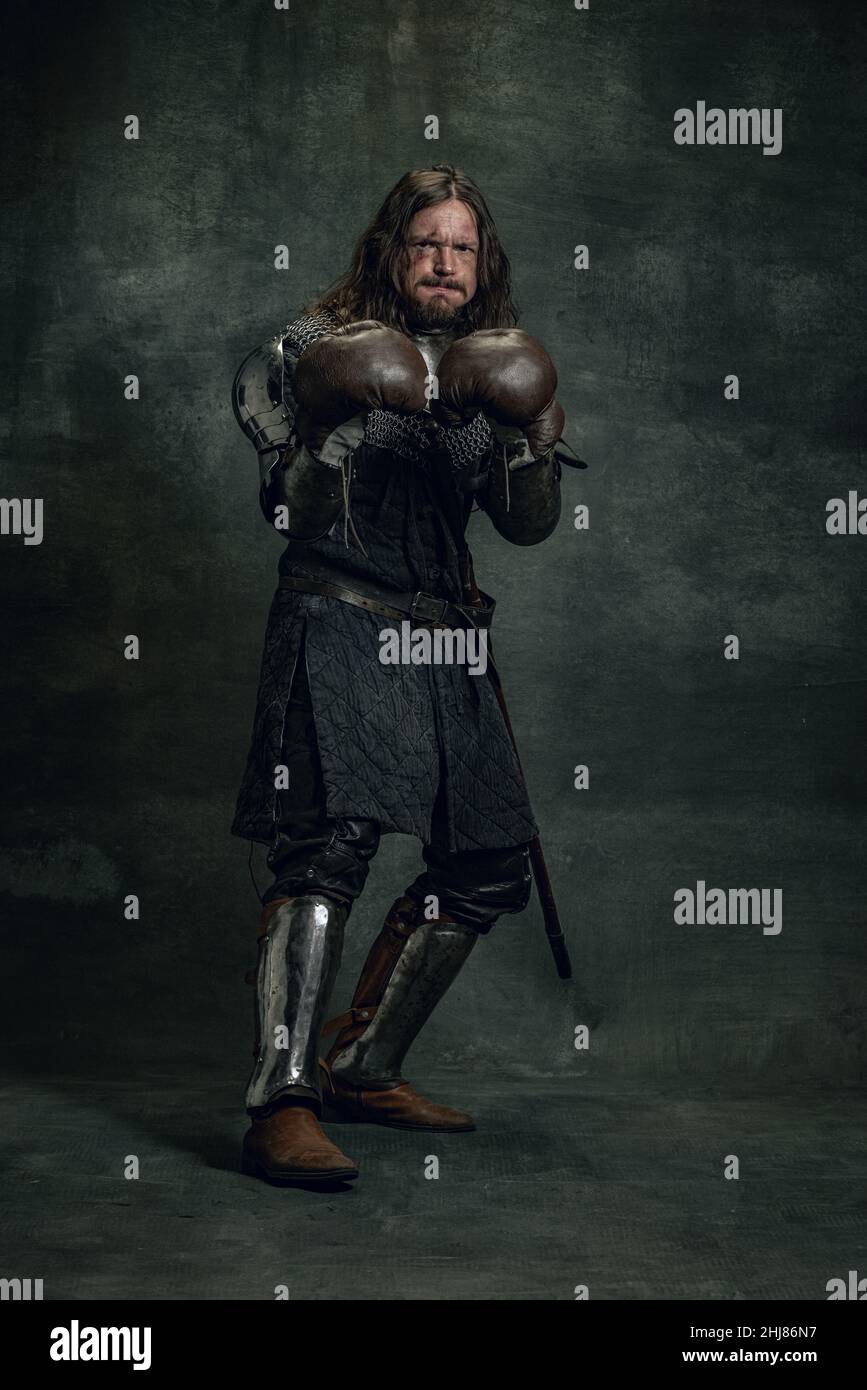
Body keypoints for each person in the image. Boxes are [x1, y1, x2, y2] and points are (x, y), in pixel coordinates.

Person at [232, 163, 572, 1185]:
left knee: (487, 862)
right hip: (336, 617)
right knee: (324, 851)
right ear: (392, 250)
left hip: (444, 637)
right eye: (427, 242)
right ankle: (279, 1098)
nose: (445, 262)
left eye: (463, 247)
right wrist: (334, 413)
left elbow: (528, 526)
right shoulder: (307, 347)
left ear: (483, 264)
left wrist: (529, 430)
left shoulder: (488, 367)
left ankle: (362, 1063)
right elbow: (287, 511)